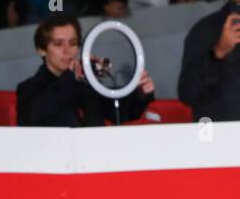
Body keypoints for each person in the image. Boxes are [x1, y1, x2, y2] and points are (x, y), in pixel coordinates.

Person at [16, 11, 155, 125]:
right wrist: (69, 79)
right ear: (41, 49)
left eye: (73, 43)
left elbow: (121, 115)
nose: (67, 50)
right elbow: (29, 120)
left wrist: (140, 94)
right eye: (58, 44)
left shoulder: (87, 85)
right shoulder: (28, 88)